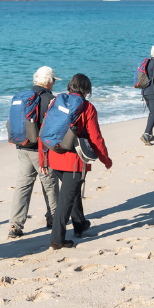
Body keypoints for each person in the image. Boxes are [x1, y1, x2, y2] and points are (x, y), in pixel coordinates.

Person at [40, 73, 112, 250]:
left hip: (54, 157)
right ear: (86, 89)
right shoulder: (87, 107)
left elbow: (44, 129)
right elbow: (95, 138)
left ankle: (80, 224)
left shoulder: (56, 101)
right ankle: (57, 240)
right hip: (75, 162)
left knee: (71, 192)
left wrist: (43, 160)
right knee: (66, 200)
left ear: (70, 86)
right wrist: (106, 160)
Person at [8, 66, 60, 239]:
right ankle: (54, 218)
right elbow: (52, 128)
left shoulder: (24, 97)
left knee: (23, 186)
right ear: (49, 81)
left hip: (22, 147)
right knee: (49, 182)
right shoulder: (50, 99)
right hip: (40, 150)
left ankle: (15, 225)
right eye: (53, 80)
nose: (53, 83)